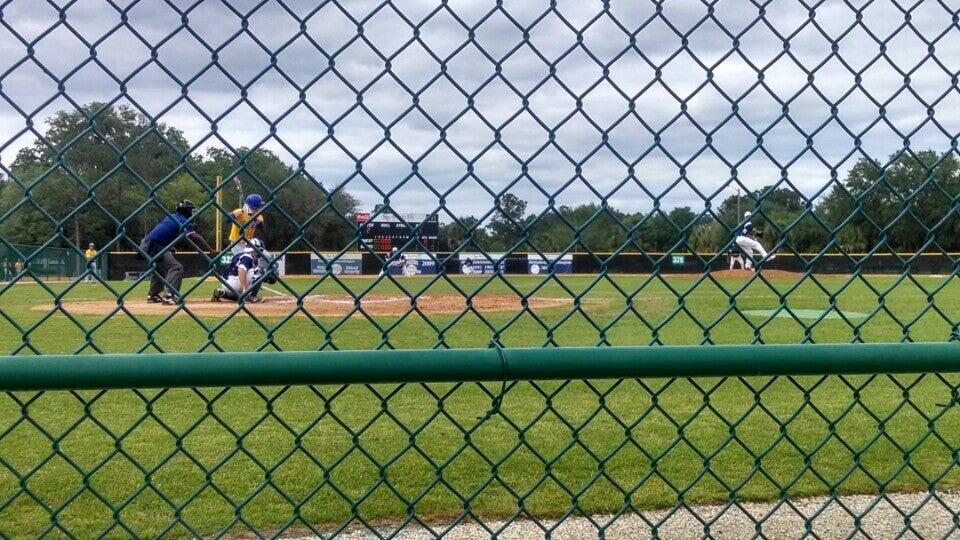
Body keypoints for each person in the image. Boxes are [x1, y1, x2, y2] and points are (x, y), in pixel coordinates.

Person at [140, 200, 212, 305]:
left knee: (159, 268)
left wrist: (169, 246)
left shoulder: (172, 216)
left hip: (147, 244)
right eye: (191, 210)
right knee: (176, 268)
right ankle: (169, 296)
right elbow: (195, 237)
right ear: (187, 211)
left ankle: (153, 295)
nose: (193, 212)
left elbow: (164, 232)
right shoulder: (183, 220)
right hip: (154, 246)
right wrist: (210, 250)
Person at [211, 238, 267, 303]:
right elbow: (241, 269)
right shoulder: (248, 256)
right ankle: (251, 297)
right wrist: (244, 289)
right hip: (235, 283)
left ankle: (223, 293)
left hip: (226, 283)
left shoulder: (239, 254)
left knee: (240, 296)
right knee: (261, 271)